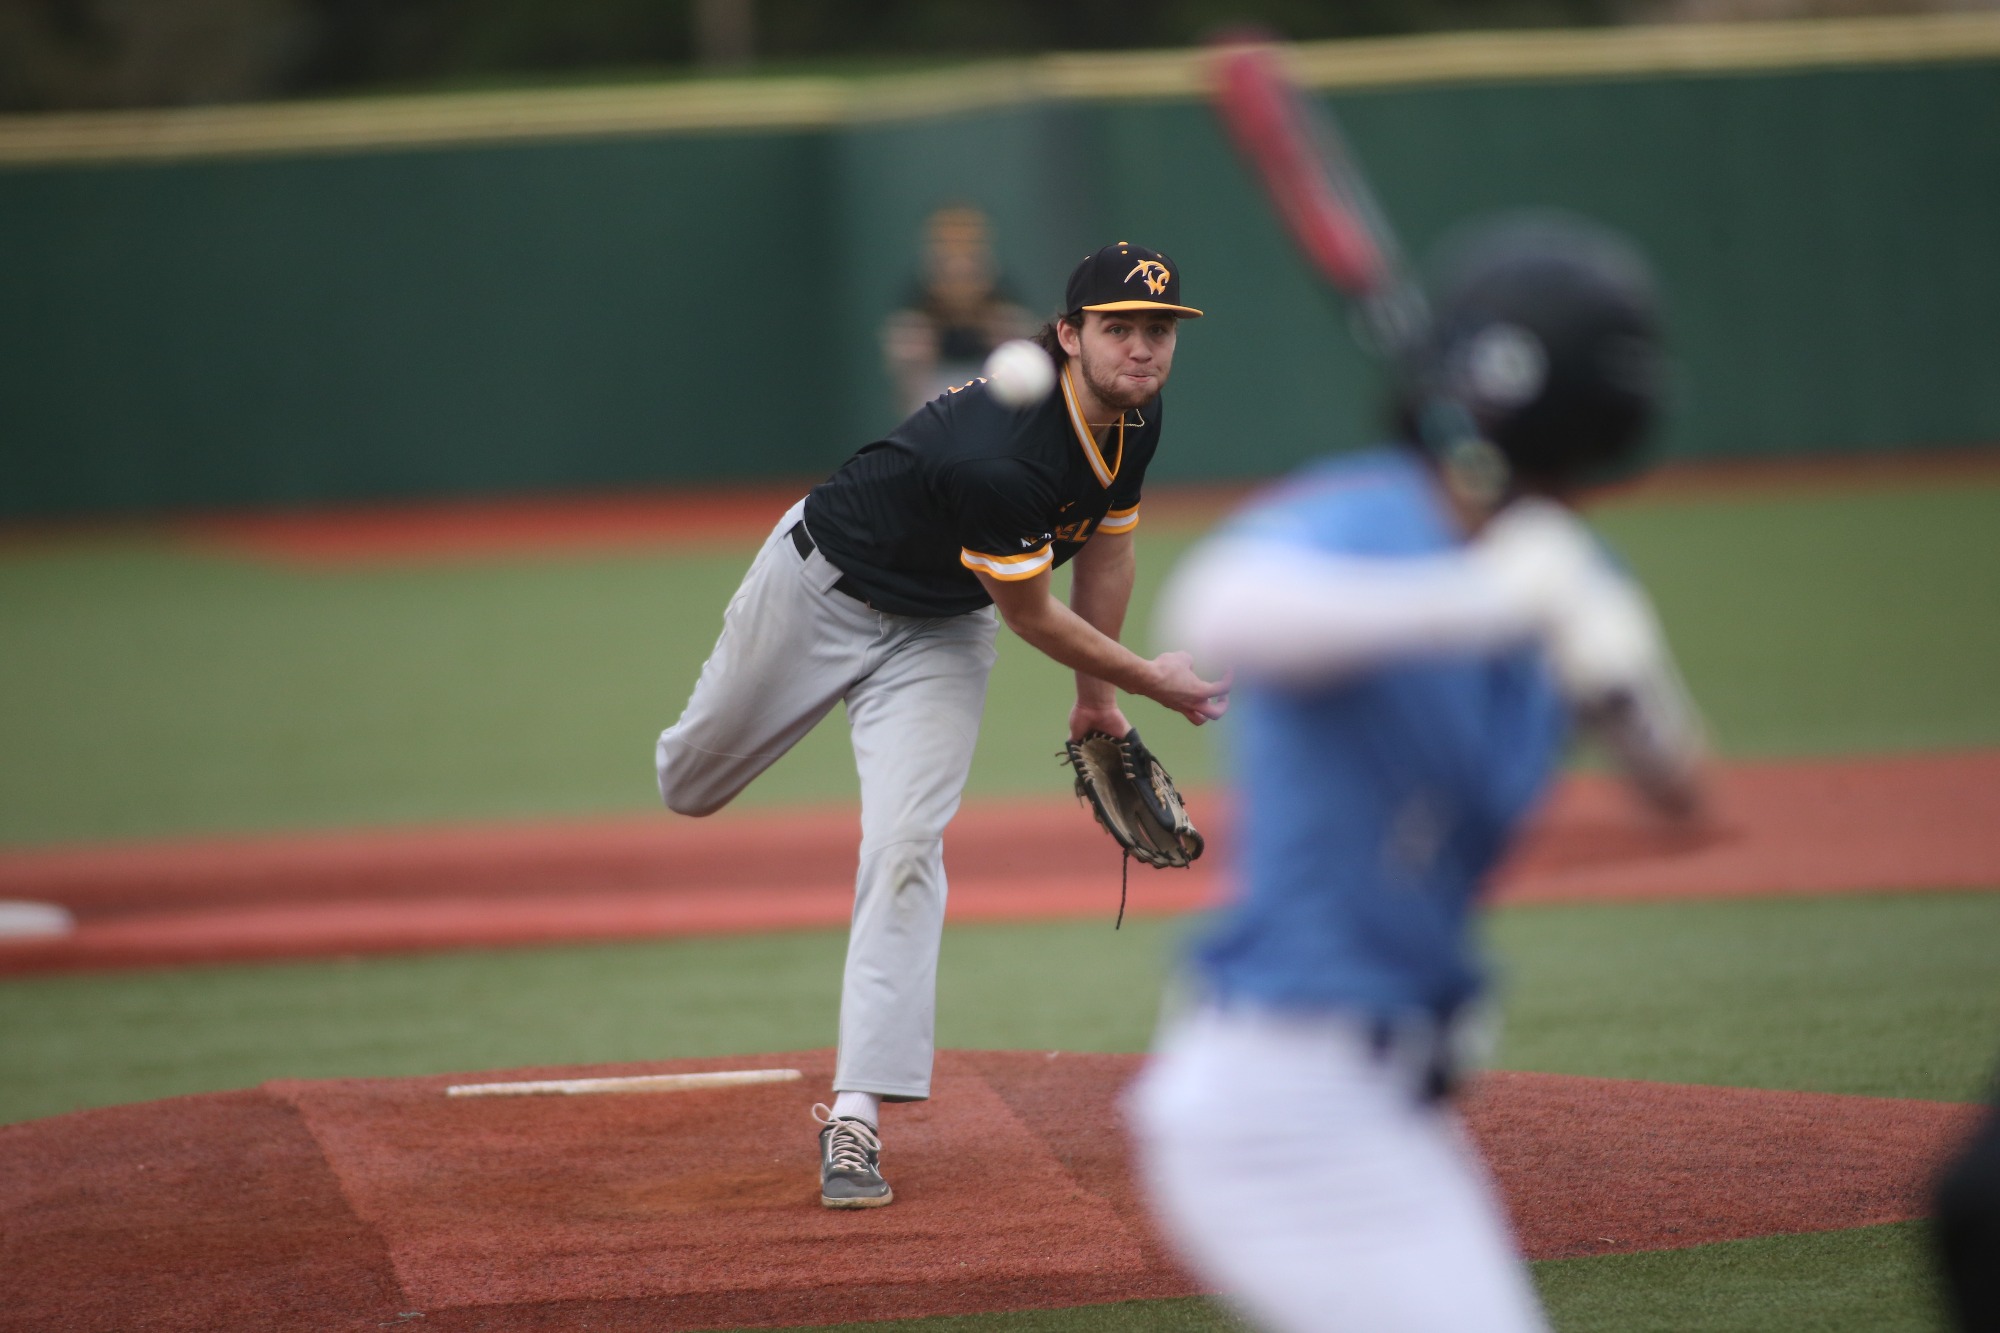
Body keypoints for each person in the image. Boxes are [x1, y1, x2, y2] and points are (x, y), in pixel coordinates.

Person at [1127, 215, 1707, 1332]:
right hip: (1279, 1107)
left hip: (1393, 1107)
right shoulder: (1373, 521)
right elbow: (1214, 611)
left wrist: (1623, 678)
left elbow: (1680, 785)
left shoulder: (1558, 570)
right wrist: (1481, 603)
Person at [657, 242, 1229, 1209]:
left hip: (940, 633)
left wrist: (1099, 700)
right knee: (690, 786)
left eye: (1159, 330)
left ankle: (855, 1116)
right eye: (1119, 328)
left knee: (907, 844)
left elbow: (1109, 551)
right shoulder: (1001, 455)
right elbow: (1036, 615)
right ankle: (714, 746)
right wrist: (1151, 679)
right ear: (1068, 335)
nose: (1143, 349)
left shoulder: (1138, 413)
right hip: (819, 589)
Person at [881, 205, 1035, 417]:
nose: (959, 265)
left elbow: (1026, 361)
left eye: (968, 250)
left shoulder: (1003, 301)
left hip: (994, 397)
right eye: (948, 249)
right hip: (933, 403)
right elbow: (906, 379)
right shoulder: (917, 305)